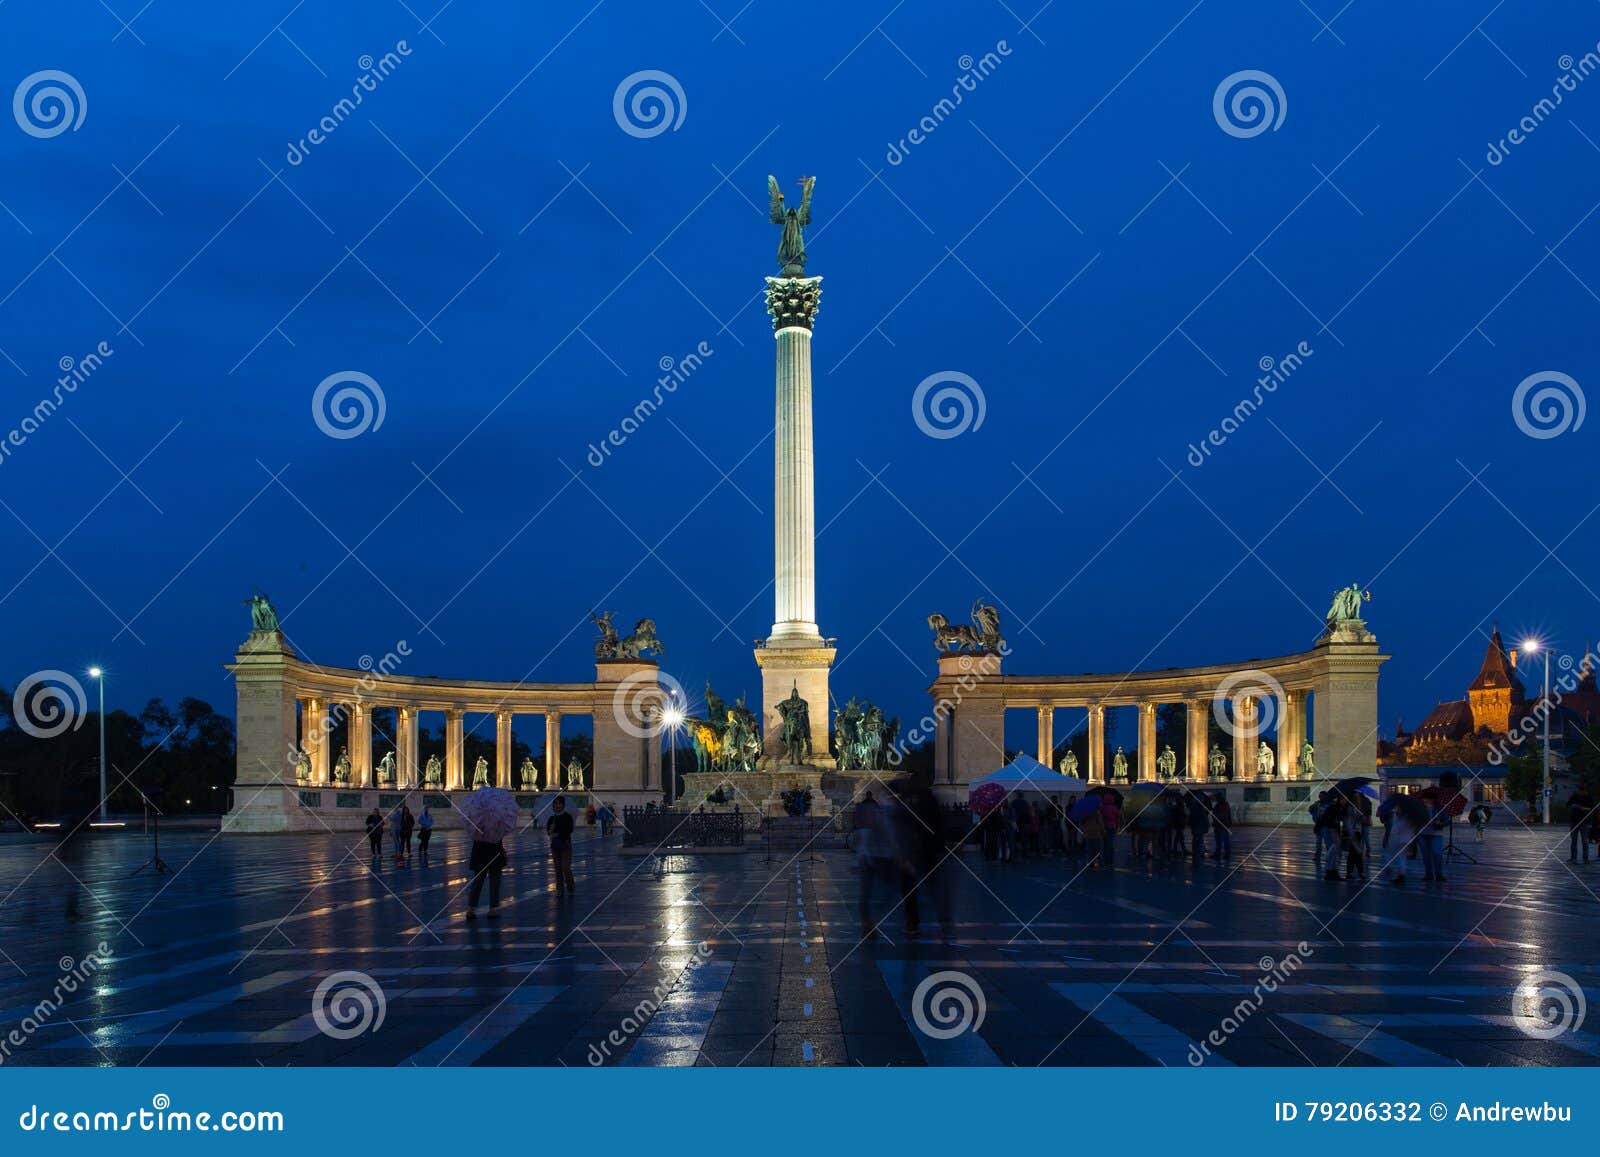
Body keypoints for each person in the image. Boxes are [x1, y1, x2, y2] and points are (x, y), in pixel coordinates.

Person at [854, 791, 896, 939]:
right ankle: (871, 920)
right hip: (880, 857)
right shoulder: (883, 811)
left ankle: (868, 921)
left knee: (867, 893)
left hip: (872, 857)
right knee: (885, 891)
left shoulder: (867, 812)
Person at [465, 832, 506, 920]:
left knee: (477, 881)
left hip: (480, 852)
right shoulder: (498, 821)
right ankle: (493, 909)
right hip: (495, 851)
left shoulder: (476, 820)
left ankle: (471, 909)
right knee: (495, 882)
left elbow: (473, 835)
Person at [547, 795, 576, 895]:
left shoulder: (567, 816)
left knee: (566, 868)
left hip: (565, 845)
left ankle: (570, 887)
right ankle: (559, 889)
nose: (557, 806)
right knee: (557, 868)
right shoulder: (551, 818)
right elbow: (548, 832)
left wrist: (557, 833)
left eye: (559, 804)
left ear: (563, 805)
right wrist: (550, 830)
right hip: (555, 846)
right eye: (555, 804)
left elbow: (570, 830)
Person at [1567, 787, 1594, 863]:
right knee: (1574, 840)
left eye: (1583, 791)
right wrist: (1572, 806)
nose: (1581, 793)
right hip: (1574, 821)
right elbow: (1568, 805)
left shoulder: (1589, 798)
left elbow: (1591, 808)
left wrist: (1581, 808)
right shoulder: (1574, 797)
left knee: (1585, 841)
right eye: (1580, 791)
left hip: (1584, 822)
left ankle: (1585, 858)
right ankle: (1573, 858)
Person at [1342, 799, 1367, 880]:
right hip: (1353, 833)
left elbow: (1361, 820)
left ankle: (1351, 872)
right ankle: (1359, 872)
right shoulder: (1350, 809)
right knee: (1356, 854)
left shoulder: (1356, 809)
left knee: (1353, 854)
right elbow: (1349, 822)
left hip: (1356, 833)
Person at [1186, 790, 1210, 863]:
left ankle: (1197, 852)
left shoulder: (1194, 807)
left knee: (1196, 840)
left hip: (1197, 826)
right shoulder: (1201, 807)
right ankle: (1200, 852)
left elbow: (1193, 817)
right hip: (1200, 826)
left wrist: (1189, 822)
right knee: (1199, 839)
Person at [1100, 793, 1121, 869]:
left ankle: (1105, 860)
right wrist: (1117, 826)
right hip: (1112, 827)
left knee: (1105, 844)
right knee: (1111, 844)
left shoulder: (1102, 808)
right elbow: (1118, 817)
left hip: (1104, 827)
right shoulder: (1114, 808)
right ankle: (1110, 861)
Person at [1210, 792, 1232, 860]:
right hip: (1221, 824)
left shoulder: (1222, 805)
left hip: (1221, 824)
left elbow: (1223, 815)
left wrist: (1215, 816)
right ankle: (1222, 853)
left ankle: (1224, 854)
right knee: (1221, 840)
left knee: (1222, 840)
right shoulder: (1223, 804)